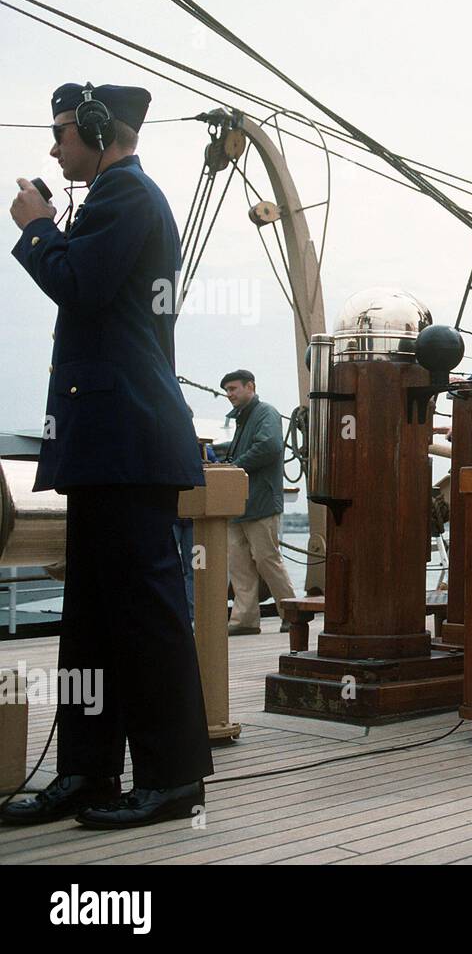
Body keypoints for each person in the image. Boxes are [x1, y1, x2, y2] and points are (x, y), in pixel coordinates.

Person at [3, 82, 211, 828]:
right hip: (104, 445)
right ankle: (87, 769)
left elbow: (80, 286)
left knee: (148, 619)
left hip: (128, 445)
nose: (55, 148)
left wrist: (35, 229)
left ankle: (173, 777)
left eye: (62, 133)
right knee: (90, 620)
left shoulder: (129, 197)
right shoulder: (113, 201)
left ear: (97, 128)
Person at [216, 369, 298, 635]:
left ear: (250, 386)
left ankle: (292, 613)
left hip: (260, 501)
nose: (229, 395)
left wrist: (234, 467)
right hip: (240, 504)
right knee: (239, 565)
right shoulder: (243, 419)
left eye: (233, 389)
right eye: (227, 390)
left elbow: (270, 446)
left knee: (266, 559)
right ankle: (245, 620)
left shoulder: (265, 413)